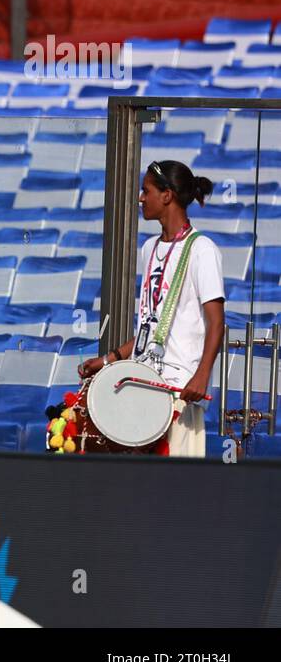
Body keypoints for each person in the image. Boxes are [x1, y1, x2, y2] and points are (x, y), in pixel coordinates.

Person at [78, 159, 224, 457]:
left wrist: (201, 375)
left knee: (174, 492)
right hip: (143, 387)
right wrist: (108, 360)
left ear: (167, 195)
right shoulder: (149, 248)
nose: (141, 198)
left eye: (146, 191)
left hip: (180, 393)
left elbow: (216, 322)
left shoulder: (202, 249)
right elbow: (152, 327)